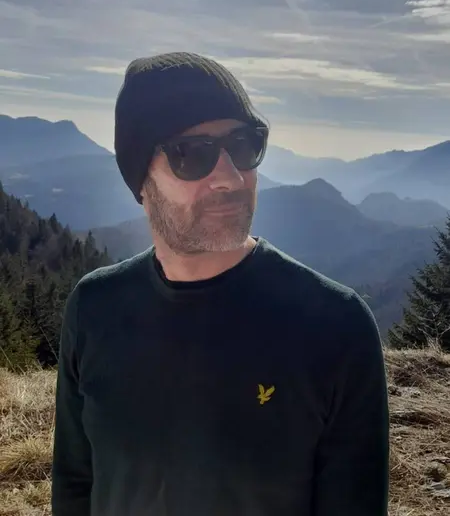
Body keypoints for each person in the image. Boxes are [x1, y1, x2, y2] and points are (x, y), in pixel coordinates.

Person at [52, 52, 390, 516]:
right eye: (192, 154)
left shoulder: (336, 327)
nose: (230, 177)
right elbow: (75, 484)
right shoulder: (93, 308)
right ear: (141, 180)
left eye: (245, 145)